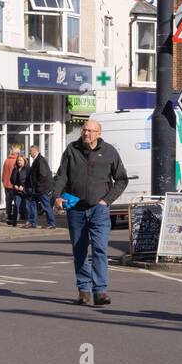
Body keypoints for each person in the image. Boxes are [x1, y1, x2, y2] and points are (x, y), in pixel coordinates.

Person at [52, 119, 130, 307]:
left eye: (90, 131)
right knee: (79, 250)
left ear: (98, 133)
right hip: (76, 209)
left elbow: (121, 179)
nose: (86, 133)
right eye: (84, 130)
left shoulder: (109, 151)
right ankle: (84, 291)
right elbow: (62, 176)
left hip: (99, 210)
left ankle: (100, 291)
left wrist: (106, 201)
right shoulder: (72, 149)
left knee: (100, 249)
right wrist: (57, 196)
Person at [25, 145, 57, 229]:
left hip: (42, 189)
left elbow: (43, 175)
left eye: (30, 151)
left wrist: (38, 186)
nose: (29, 153)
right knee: (32, 203)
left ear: (34, 151)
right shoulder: (38, 160)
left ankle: (51, 224)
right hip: (37, 189)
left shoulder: (40, 160)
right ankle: (32, 222)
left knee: (46, 206)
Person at [1, 145, 23, 226]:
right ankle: (15, 219)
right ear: (17, 153)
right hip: (13, 185)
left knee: (8, 202)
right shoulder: (16, 161)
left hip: (6, 185)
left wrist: (3, 182)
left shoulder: (6, 160)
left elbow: (3, 174)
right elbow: (17, 174)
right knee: (17, 202)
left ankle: (8, 218)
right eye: (19, 153)